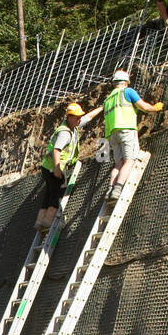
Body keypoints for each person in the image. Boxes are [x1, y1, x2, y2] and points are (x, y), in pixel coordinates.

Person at [34, 101, 103, 236]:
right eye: (76, 117)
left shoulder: (72, 126)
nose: (79, 119)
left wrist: (101, 107)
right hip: (53, 167)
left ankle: (39, 221)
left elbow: (87, 117)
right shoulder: (65, 133)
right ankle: (47, 223)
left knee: (49, 193)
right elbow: (56, 150)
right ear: (69, 117)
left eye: (79, 117)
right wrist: (57, 168)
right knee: (56, 194)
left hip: (48, 166)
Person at [103, 71, 163, 201]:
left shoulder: (107, 99)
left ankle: (109, 190)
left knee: (118, 163)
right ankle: (118, 189)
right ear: (125, 82)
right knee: (130, 160)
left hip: (112, 134)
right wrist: (155, 108)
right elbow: (144, 107)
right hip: (126, 129)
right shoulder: (127, 91)